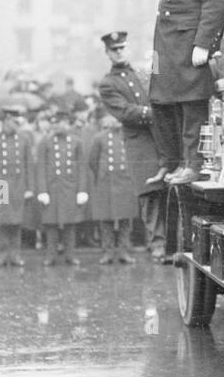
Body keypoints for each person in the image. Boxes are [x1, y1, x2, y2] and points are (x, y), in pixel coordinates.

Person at [149, 0, 224, 186]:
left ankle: (192, 165)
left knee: (191, 106)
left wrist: (204, 44)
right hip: (166, 46)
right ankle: (174, 162)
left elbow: (215, 5)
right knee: (164, 104)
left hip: (188, 45)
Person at [96, 30, 167, 262]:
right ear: (107, 53)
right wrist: (152, 113)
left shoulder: (143, 72)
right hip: (140, 145)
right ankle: (157, 244)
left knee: (169, 191)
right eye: (114, 50)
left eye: (122, 48)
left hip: (162, 138)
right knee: (149, 194)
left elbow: (161, 84)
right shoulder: (108, 83)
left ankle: (172, 241)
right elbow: (124, 111)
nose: (119, 52)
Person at [35, 109, 89, 266]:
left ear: (69, 124)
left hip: (70, 188)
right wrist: (43, 191)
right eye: (58, 123)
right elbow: (41, 168)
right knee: (51, 224)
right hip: (52, 189)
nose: (61, 126)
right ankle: (50, 255)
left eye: (65, 123)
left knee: (70, 224)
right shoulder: (45, 142)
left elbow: (82, 168)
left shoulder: (77, 142)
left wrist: (82, 190)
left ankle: (70, 255)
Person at [0, 105, 33, 268]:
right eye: (9, 121)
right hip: (1, 185)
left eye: (14, 121)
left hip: (18, 185)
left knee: (16, 222)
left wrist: (29, 188)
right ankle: (2, 254)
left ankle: (15, 254)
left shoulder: (24, 140)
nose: (12, 124)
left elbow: (28, 165)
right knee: (2, 222)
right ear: (4, 122)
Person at [88, 107, 138, 265]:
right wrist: (101, 177)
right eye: (113, 118)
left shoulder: (129, 136)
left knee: (125, 220)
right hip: (106, 184)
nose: (116, 121)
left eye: (119, 119)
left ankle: (123, 252)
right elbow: (92, 161)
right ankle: (108, 252)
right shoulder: (99, 138)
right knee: (106, 221)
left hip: (125, 183)